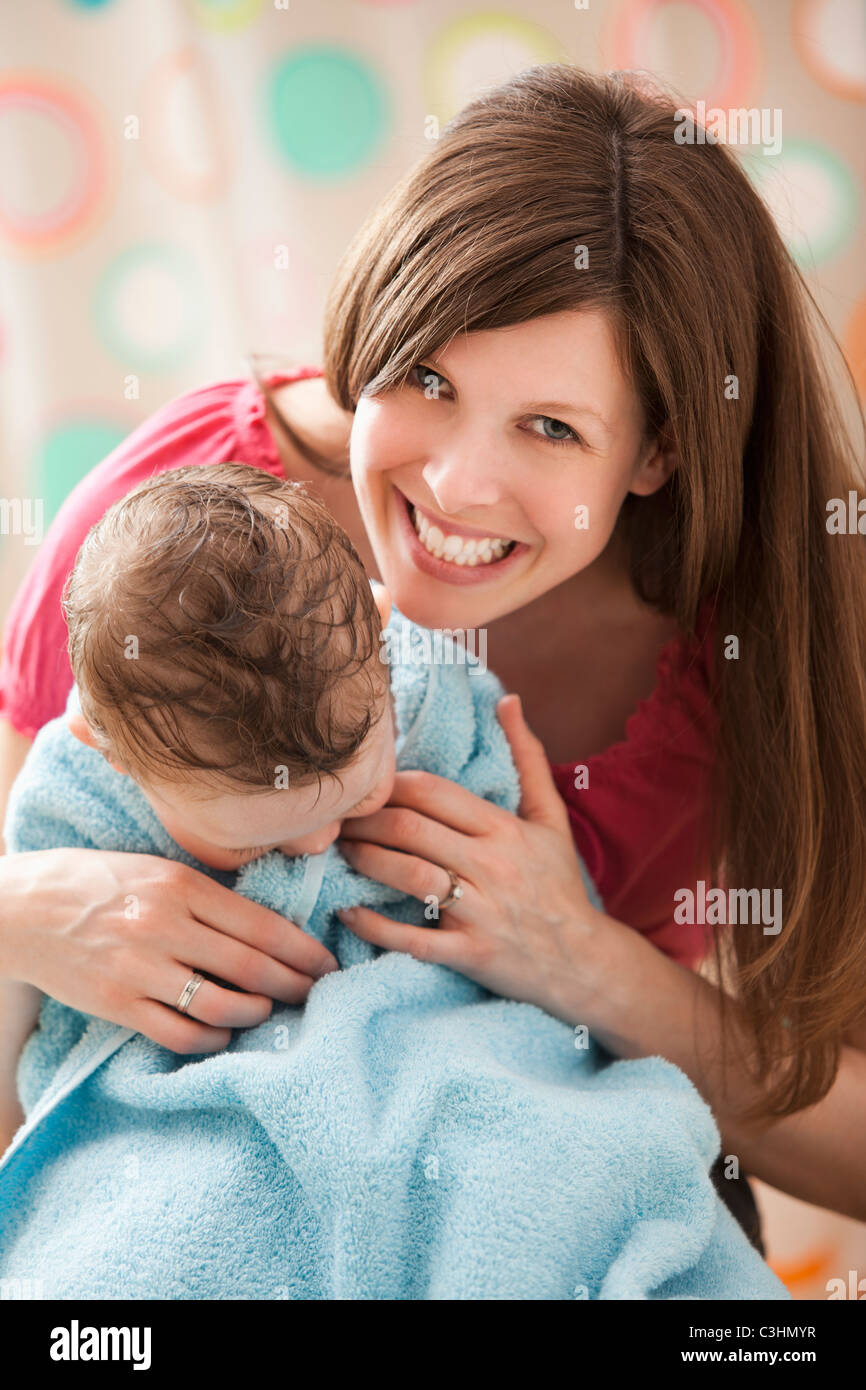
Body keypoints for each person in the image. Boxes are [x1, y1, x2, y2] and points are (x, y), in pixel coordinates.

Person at [0, 65, 864, 1242]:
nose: (455, 485)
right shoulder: (177, 524)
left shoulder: (767, 634)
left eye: (551, 427)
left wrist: (582, 961)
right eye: (425, 378)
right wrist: (29, 913)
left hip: (541, 1188)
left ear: (659, 450)